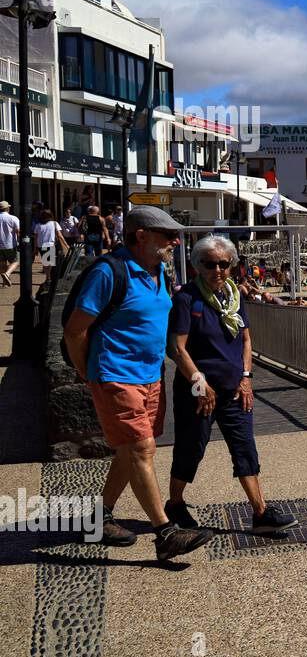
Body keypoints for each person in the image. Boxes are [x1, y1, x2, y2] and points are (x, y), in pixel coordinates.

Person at [62, 207, 215, 562]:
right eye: (167, 234)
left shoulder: (159, 270)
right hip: (116, 375)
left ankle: (99, 520)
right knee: (142, 449)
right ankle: (166, 534)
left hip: (150, 376)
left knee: (130, 452)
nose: (175, 241)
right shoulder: (108, 271)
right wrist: (90, 375)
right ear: (141, 235)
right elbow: (74, 331)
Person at [166, 235, 297, 534]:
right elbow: (176, 348)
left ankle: (261, 513)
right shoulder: (187, 299)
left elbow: (246, 341)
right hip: (197, 391)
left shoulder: (234, 297)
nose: (218, 270)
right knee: (191, 448)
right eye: (210, 264)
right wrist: (200, 382)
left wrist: (247, 378)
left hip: (235, 390)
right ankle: (175, 503)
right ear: (197, 266)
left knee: (244, 448)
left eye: (224, 264)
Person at [0, 201, 19, 287]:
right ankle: (7, 274)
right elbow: (18, 231)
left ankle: (4, 283)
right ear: (7, 208)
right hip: (10, 244)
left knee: (2, 263)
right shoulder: (13, 218)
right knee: (16, 261)